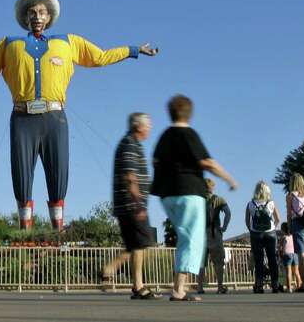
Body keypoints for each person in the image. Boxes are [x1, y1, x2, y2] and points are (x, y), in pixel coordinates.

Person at [0, 0, 158, 230]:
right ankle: (25, 232)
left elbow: (100, 57)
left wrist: (133, 50)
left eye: (41, 12)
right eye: (32, 13)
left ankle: (57, 230)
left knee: (58, 172)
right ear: (25, 18)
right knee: (21, 173)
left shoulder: (67, 42)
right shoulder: (8, 44)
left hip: (54, 117)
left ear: (48, 17)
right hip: (22, 118)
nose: (37, 16)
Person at [150, 95, 237, 302]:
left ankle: (180, 285)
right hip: (189, 192)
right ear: (189, 113)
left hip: (167, 196)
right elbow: (208, 163)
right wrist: (229, 179)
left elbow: (155, 161)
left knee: (184, 238)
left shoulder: (164, 136)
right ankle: (178, 289)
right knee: (193, 240)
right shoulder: (188, 134)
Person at [101, 112, 157, 299]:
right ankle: (123, 276)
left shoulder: (130, 143)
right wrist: (139, 203)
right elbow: (130, 175)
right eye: (148, 125)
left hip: (127, 204)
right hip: (131, 205)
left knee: (135, 245)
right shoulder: (130, 144)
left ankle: (134, 284)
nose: (150, 128)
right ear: (139, 126)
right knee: (141, 243)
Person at [246, 181, 282, 293]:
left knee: (259, 260)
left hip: (256, 234)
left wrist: (252, 230)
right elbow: (278, 219)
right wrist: (273, 228)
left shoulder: (250, 203)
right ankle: (275, 284)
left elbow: (247, 220)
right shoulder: (271, 203)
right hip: (270, 233)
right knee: (272, 259)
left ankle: (259, 285)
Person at [198, 178, 231, 295]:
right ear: (212, 187)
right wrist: (224, 227)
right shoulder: (219, 199)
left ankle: (200, 287)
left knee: (201, 262)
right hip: (215, 233)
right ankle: (220, 287)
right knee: (218, 262)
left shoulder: (198, 200)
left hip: (200, 234)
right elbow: (228, 213)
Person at [279, 222, 301, 292]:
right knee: (296, 271)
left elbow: (280, 248)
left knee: (289, 272)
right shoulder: (293, 236)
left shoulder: (283, 237)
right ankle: (299, 286)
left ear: (283, 230)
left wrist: (280, 255)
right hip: (295, 254)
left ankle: (289, 288)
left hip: (287, 255)